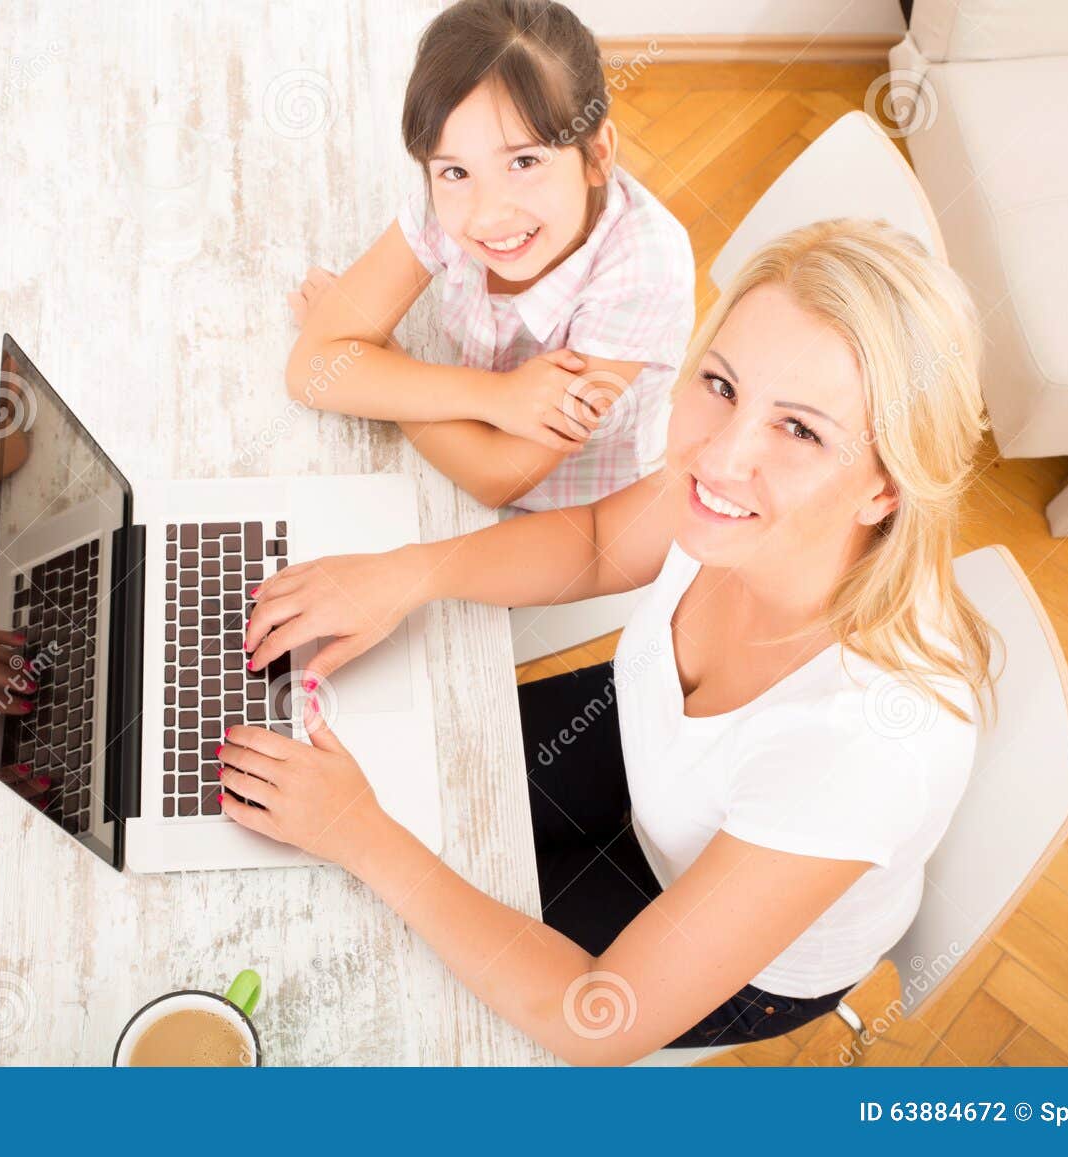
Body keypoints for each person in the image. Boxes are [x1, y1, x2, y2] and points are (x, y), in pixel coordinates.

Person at [223, 219, 999, 1064]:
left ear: (886, 488)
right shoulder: (731, 497)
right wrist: (407, 573)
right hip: (647, 751)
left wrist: (362, 833)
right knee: (370, 764)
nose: (720, 454)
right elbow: (597, 541)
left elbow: (596, 1015)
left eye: (801, 430)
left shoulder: (861, 749)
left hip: (728, 941)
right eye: (722, 384)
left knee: (382, 961)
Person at [286, 0, 693, 511]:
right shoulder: (445, 201)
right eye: (455, 171)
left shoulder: (644, 270)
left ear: (596, 155)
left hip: (582, 515)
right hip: (455, 464)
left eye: (524, 161)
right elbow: (310, 370)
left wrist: (384, 360)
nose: (488, 214)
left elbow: (499, 476)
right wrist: (492, 396)